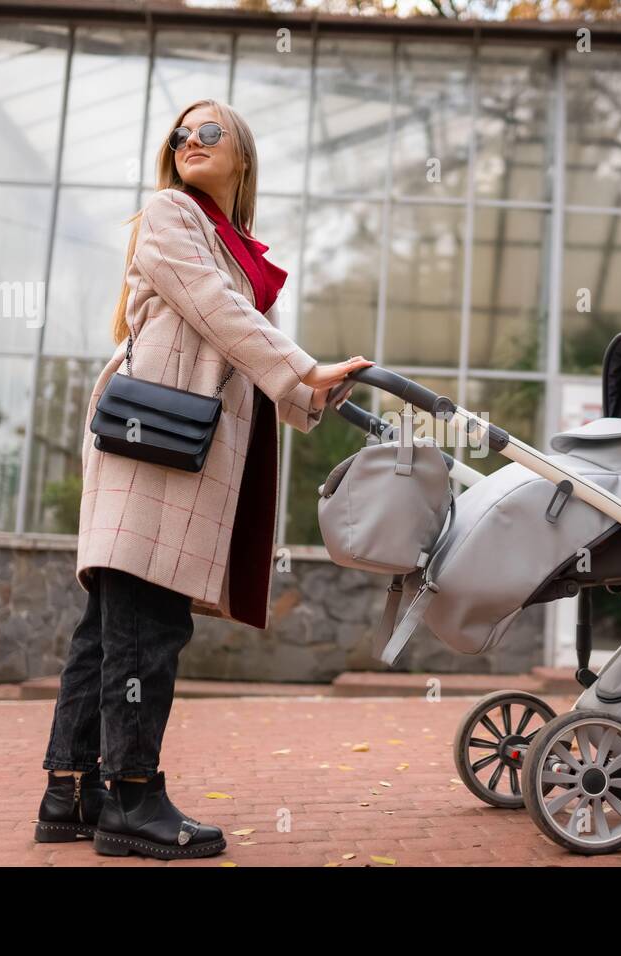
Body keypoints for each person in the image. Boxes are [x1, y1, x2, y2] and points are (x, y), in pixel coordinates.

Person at [35, 98, 372, 860]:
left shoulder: (230, 247)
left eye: (209, 131)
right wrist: (305, 371)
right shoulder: (170, 215)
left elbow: (231, 355)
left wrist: (307, 394)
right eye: (180, 134)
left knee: (114, 624)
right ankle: (131, 796)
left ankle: (71, 790)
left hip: (166, 446)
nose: (190, 140)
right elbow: (219, 314)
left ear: (242, 156)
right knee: (148, 624)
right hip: (151, 447)